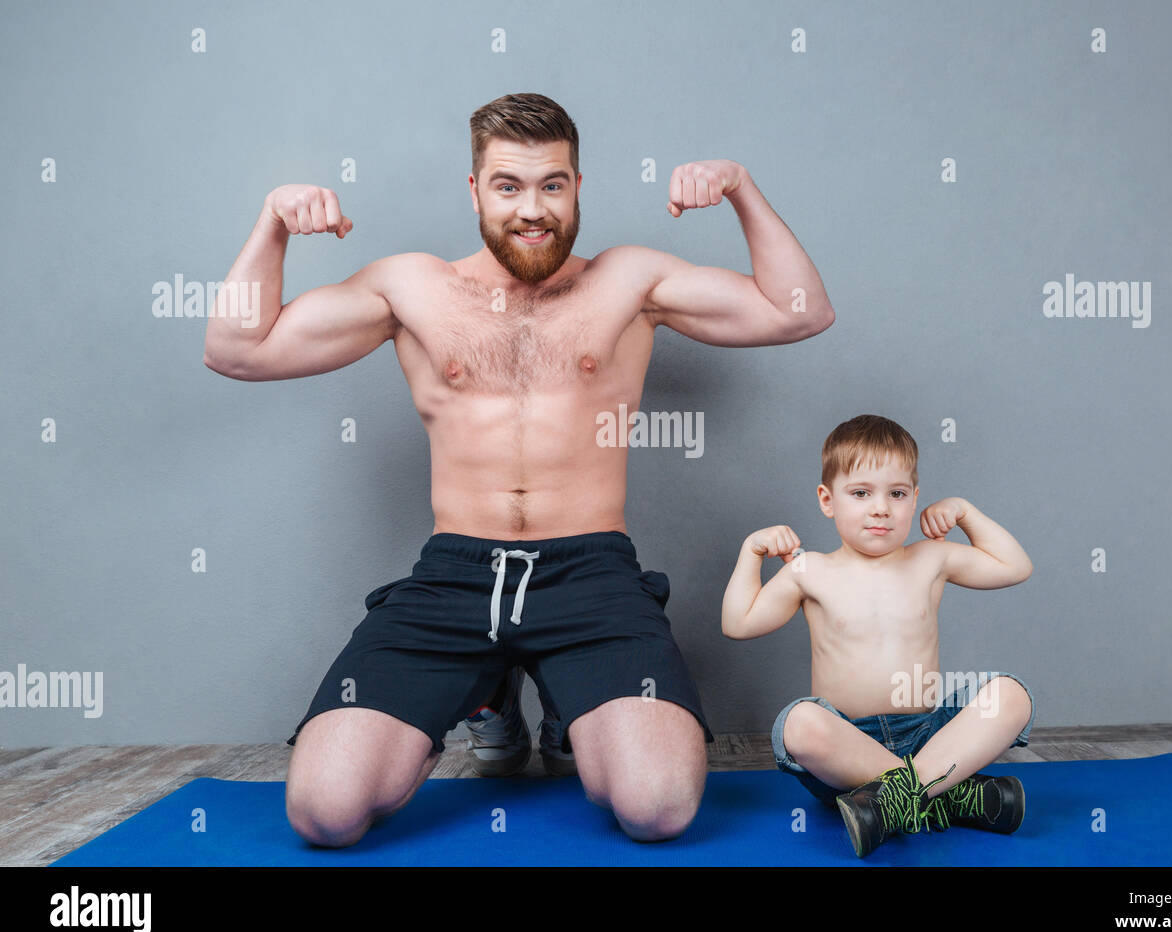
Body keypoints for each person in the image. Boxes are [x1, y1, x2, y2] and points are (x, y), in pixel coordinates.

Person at [202, 93, 836, 846]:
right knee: (324, 813)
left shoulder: (629, 283)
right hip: (454, 578)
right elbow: (236, 350)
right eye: (508, 185)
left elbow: (800, 309)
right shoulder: (412, 288)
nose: (532, 209)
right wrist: (273, 223)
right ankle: (491, 689)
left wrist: (739, 186)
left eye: (552, 185)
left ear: (577, 185)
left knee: (657, 806)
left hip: (591, 575)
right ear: (475, 189)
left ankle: (570, 704)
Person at [719, 414, 1035, 857]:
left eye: (897, 494)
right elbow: (738, 623)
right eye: (861, 493)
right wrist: (751, 552)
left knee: (1011, 694)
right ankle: (946, 794)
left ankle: (894, 801)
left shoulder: (932, 559)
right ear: (827, 500)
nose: (881, 507)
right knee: (798, 723)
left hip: (930, 736)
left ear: (915, 498)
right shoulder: (809, 570)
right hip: (847, 751)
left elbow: (1015, 566)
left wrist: (965, 511)